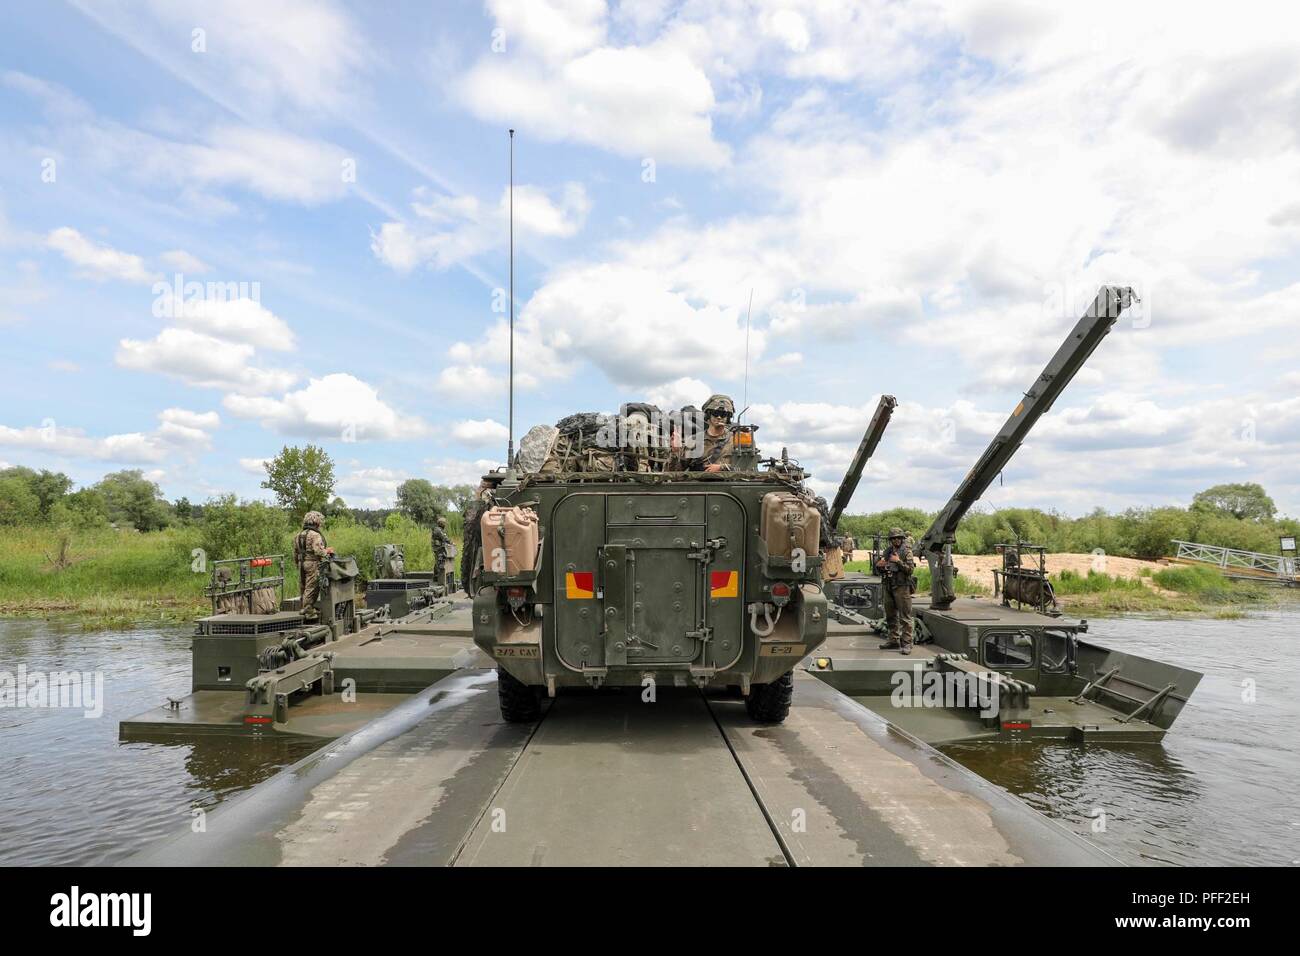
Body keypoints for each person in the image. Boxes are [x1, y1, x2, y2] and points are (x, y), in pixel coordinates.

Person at [668, 394, 734, 472]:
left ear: (728, 417)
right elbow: (675, 473)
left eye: (723, 414)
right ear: (708, 415)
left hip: (728, 483)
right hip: (698, 483)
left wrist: (722, 468)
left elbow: (747, 470)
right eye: (715, 413)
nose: (719, 417)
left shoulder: (736, 440)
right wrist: (675, 452)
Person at [876, 527, 916, 654]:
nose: (896, 540)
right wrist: (880, 566)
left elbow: (910, 570)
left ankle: (907, 644)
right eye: (893, 538)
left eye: (898, 538)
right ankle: (893, 640)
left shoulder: (906, 552)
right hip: (888, 585)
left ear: (902, 539)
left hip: (902, 586)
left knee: (905, 617)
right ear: (891, 540)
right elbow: (884, 566)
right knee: (890, 615)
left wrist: (898, 561)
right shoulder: (887, 551)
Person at [294, 511, 334, 621]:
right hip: (312, 563)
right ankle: (308, 610)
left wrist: (297, 564)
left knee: (303, 586)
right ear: (316, 521)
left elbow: (295, 552)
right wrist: (327, 551)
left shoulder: (298, 535)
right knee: (312, 587)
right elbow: (318, 551)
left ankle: (304, 607)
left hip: (302, 563)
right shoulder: (315, 535)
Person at [431, 515, 453, 590]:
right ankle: (437, 577)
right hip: (437, 548)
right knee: (438, 562)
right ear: (442, 523)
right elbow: (444, 537)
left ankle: (436, 577)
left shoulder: (439, 529)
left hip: (439, 547)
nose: (445, 525)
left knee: (438, 561)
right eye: (444, 523)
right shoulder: (438, 530)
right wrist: (451, 542)